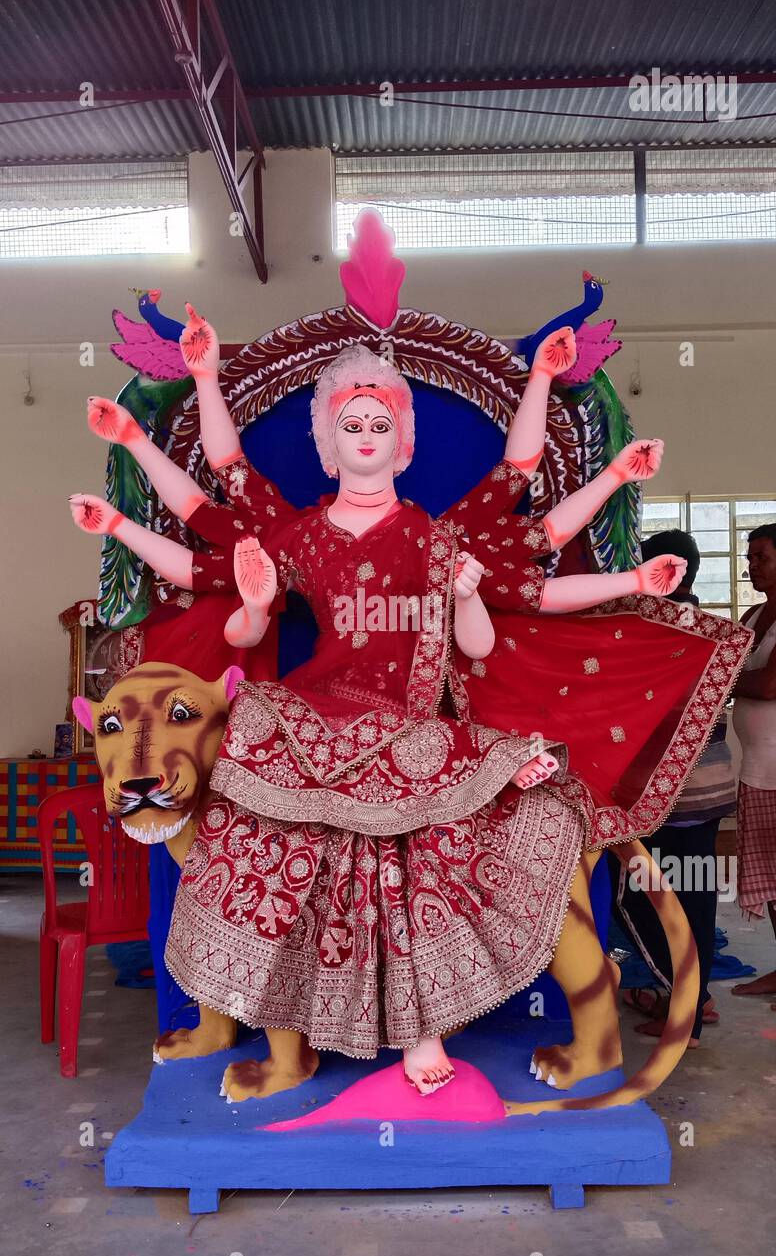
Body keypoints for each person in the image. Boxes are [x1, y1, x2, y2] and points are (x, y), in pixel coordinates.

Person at [71, 313, 698, 1097]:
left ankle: (423, 1027)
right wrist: (146, 506)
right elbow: (211, 529)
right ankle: (255, 1015)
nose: (364, 435)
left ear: (403, 440)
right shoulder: (297, 536)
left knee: (414, 851)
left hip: (406, 723)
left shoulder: (440, 539)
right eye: (349, 424)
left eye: (379, 423)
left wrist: (630, 573)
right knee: (247, 763)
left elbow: (531, 542)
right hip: (314, 716)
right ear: (327, 444)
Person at [607, 530, 738, 1045]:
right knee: (696, 896)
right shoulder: (718, 631)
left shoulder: (649, 630)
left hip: (665, 794)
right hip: (710, 789)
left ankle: (685, 1003)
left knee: (643, 896)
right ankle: (691, 999)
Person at [731, 523, 776, 1003]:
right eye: (750, 557)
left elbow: (768, 686)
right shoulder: (754, 615)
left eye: (761, 557)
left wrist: (718, 686)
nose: (752, 566)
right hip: (759, 769)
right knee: (772, 875)